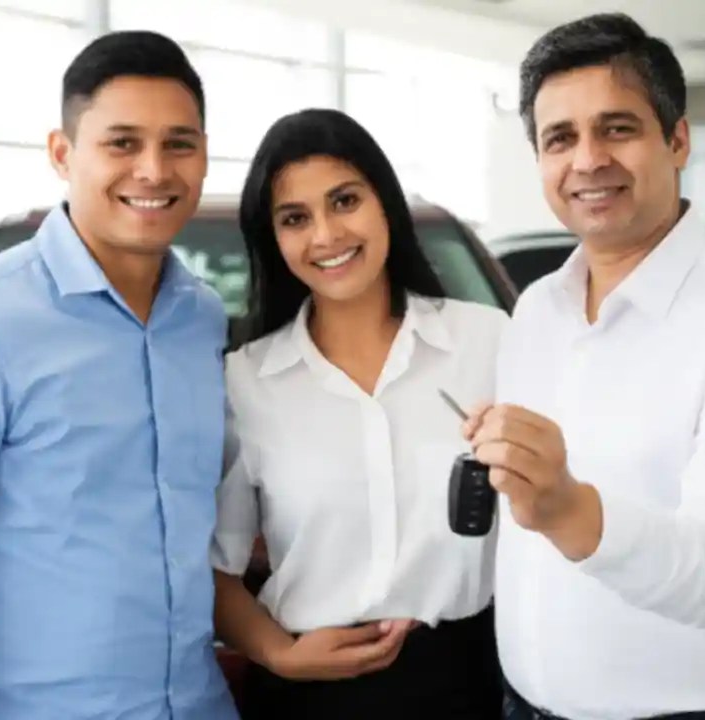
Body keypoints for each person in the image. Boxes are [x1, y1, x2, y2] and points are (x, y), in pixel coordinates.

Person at [461, 13, 705, 720]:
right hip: (523, 704)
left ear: (678, 139)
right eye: (560, 138)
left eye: (617, 128)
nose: (587, 160)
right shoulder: (538, 309)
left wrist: (568, 507)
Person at [0, 31, 238, 720]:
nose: (154, 170)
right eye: (122, 143)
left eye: (179, 143)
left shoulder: (202, 320)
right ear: (62, 155)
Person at [211, 107, 507, 719]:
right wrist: (278, 654)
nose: (325, 235)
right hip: (307, 695)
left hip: (471, 681)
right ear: (274, 239)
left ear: (383, 205)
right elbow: (216, 568)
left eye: (344, 201)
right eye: (295, 218)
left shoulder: (487, 343)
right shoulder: (246, 381)